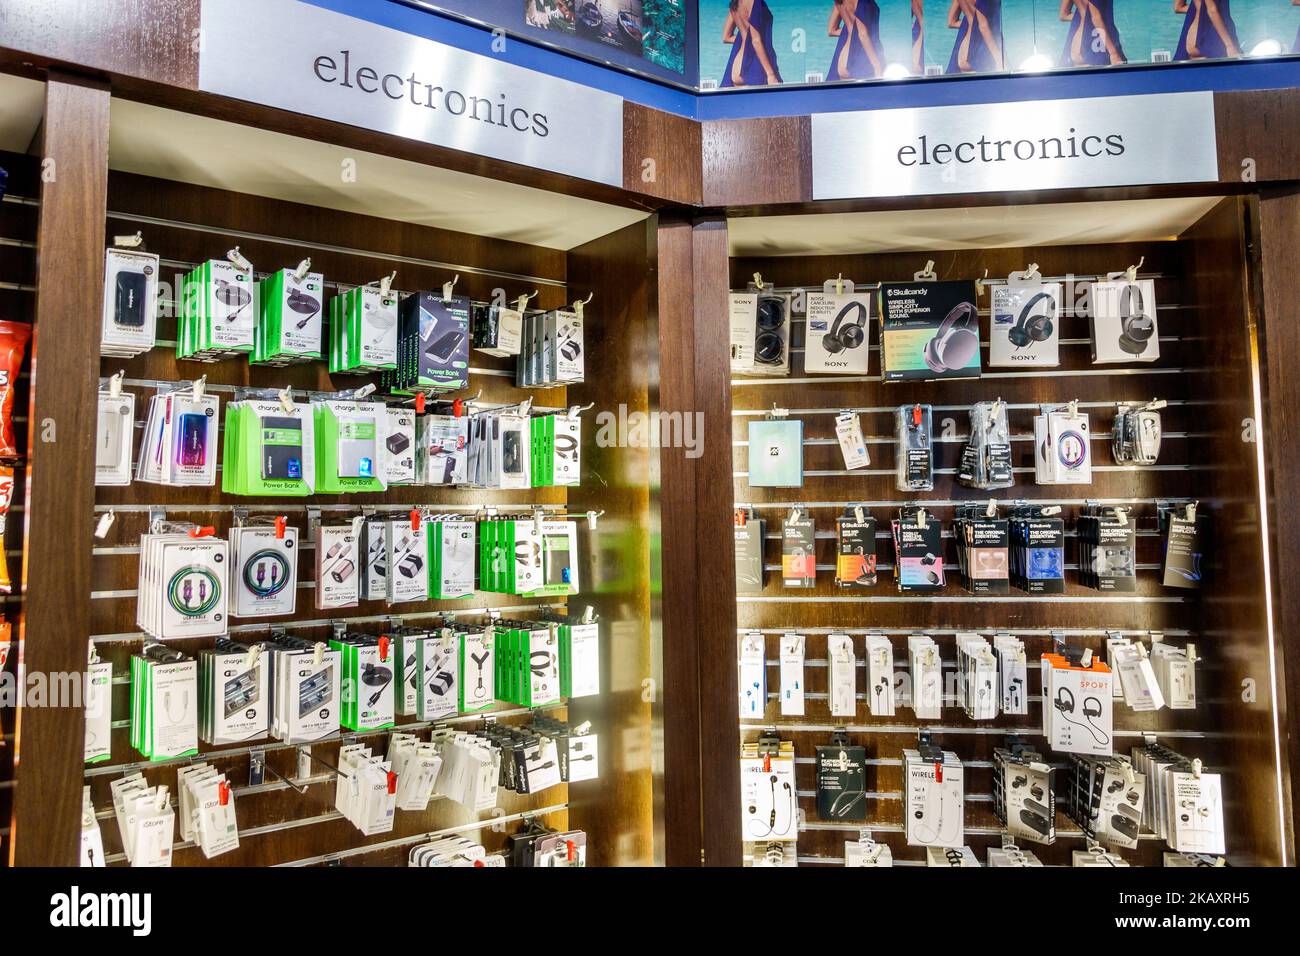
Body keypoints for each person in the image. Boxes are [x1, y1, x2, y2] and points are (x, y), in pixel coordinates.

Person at [721, 0, 784, 86]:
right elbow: (756, 40)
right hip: (753, 65)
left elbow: (726, 37)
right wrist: (770, 74)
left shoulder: (735, 3)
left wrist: (745, 40)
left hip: (736, 66)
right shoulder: (754, 1)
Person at [828, 0, 886, 79]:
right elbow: (862, 34)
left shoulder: (839, 1)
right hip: (859, 54)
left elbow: (831, 31)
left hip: (842, 55)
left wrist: (852, 32)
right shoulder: (862, 1)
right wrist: (877, 66)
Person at [1060, 0, 1127, 66]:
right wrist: (1113, 53)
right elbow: (1096, 18)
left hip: (1077, 44)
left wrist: (1084, 16)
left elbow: (1064, 15)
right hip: (1093, 42)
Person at [946, 0, 1005, 73]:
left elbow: (951, 22)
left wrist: (972, 22)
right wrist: (999, 61)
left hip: (963, 50)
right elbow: (983, 26)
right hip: (979, 49)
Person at [1173, 0, 1241, 60]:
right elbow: (1212, 10)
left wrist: (1200, 8)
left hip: (1196, 35)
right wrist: (1229, 46)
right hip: (1207, 38)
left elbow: (1178, 7)